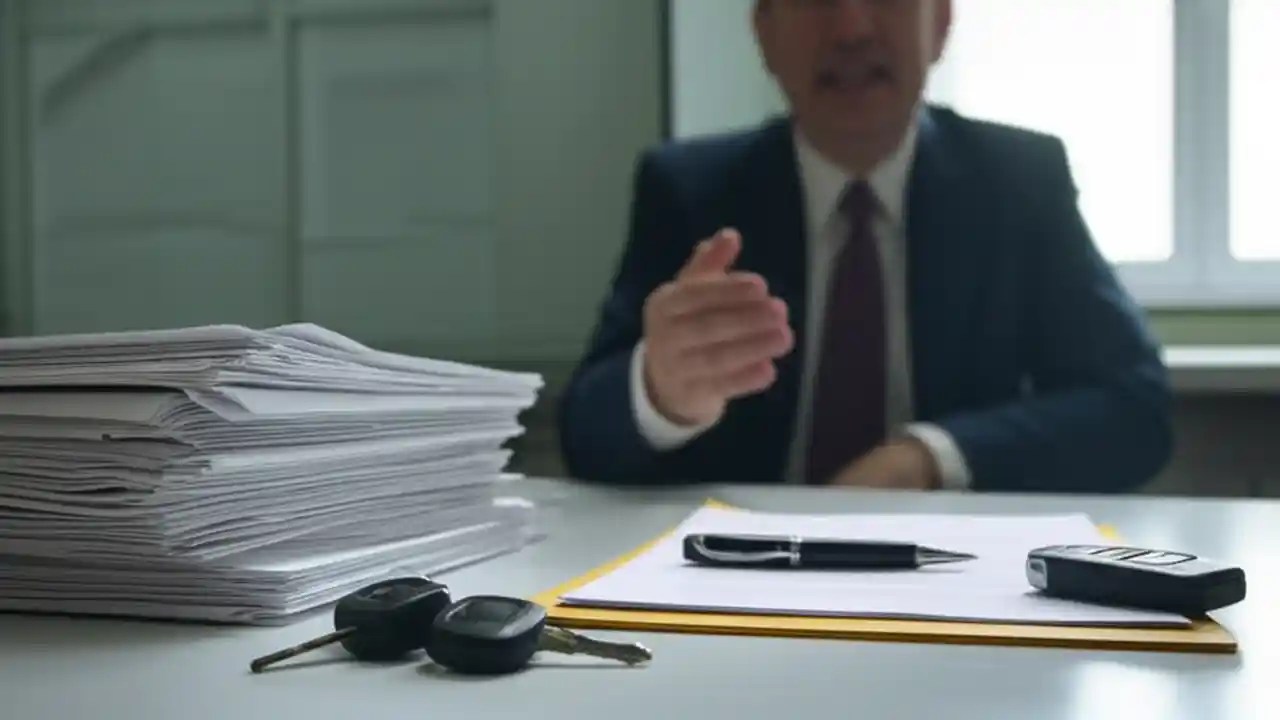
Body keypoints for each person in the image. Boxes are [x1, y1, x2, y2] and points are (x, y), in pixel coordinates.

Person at [558, 0, 1173, 493]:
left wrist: (930, 456)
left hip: (956, 584)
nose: (851, 26)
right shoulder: (691, 190)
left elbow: (1135, 409)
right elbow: (585, 434)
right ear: (764, 34)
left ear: (942, 24)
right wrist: (661, 391)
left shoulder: (1018, 181)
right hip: (739, 589)